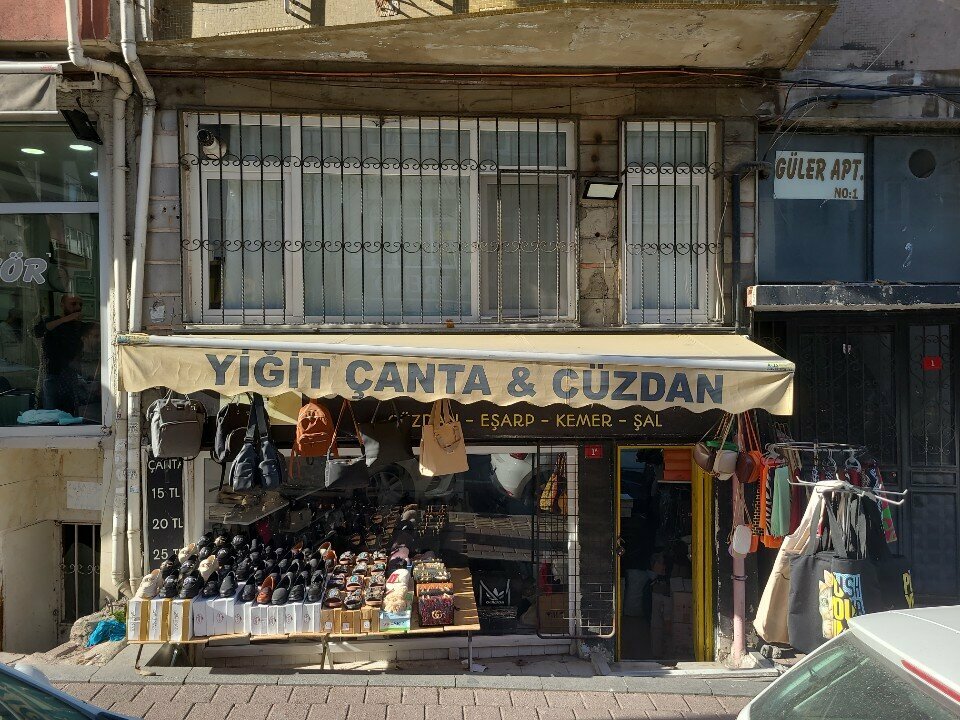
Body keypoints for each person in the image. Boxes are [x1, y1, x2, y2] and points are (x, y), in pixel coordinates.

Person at [32, 295, 95, 417]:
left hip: (71, 375)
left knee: (70, 412)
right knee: (50, 412)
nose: (77, 307)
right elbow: (37, 331)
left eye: (80, 305)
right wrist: (65, 319)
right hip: (52, 373)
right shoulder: (53, 321)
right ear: (62, 305)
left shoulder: (79, 326)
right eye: (73, 304)